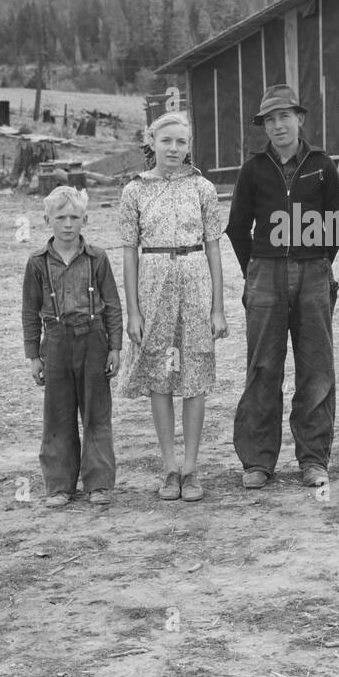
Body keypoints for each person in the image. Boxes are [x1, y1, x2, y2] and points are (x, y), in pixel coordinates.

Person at [226, 85, 339, 489]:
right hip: (265, 274)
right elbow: (237, 227)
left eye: (284, 117)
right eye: (270, 120)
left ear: (300, 119)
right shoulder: (253, 169)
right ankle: (258, 461)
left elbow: (336, 223)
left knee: (316, 367)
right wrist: (256, 268)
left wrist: (318, 261)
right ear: (264, 126)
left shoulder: (322, 166)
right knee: (263, 367)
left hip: (314, 273)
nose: (278, 126)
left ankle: (313, 459)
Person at [119, 112, 227, 502]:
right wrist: (133, 311)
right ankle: (169, 467)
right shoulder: (134, 190)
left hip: (195, 282)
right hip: (153, 284)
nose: (174, 148)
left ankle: (192, 468)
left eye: (181, 142)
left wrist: (217, 307)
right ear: (152, 142)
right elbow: (129, 253)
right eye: (166, 141)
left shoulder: (203, 188)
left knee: (194, 374)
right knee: (160, 376)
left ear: (189, 146)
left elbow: (214, 248)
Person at [22, 185, 123, 508]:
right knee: (58, 416)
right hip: (55, 342)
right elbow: (29, 311)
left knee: (96, 414)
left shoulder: (98, 258)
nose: (68, 224)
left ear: (85, 220)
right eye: (60, 217)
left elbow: (113, 305)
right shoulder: (37, 263)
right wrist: (33, 356)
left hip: (93, 340)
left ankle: (99, 483)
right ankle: (59, 484)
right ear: (47, 220)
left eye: (75, 218)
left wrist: (115, 347)